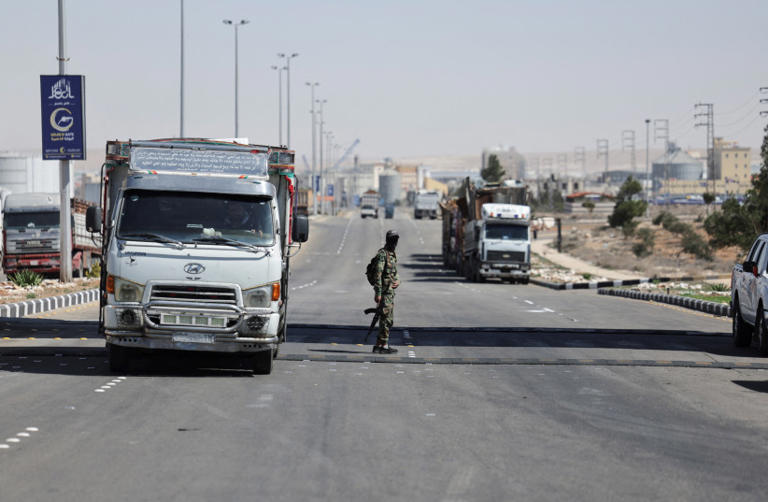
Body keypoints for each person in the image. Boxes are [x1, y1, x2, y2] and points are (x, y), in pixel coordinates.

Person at [372, 229, 400, 354]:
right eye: (392, 239)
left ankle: (380, 345)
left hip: (390, 293)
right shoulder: (382, 255)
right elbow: (378, 275)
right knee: (386, 320)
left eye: (396, 240)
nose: (394, 242)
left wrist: (398, 281)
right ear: (388, 240)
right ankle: (383, 346)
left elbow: (395, 273)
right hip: (384, 293)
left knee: (388, 319)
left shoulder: (392, 255)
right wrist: (378, 293)